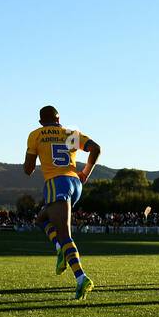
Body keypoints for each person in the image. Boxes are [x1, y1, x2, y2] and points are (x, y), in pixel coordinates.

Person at [23, 105, 99, 300]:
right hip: (75, 183)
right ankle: (59, 249)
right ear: (58, 119)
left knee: (65, 235)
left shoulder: (36, 134)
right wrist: (85, 173)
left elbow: (28, 169)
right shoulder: (70, 133)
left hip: (56, 183)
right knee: (41, 219)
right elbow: (95, 149)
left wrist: (32, 161)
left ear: (41, 121)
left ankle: (81, 278)